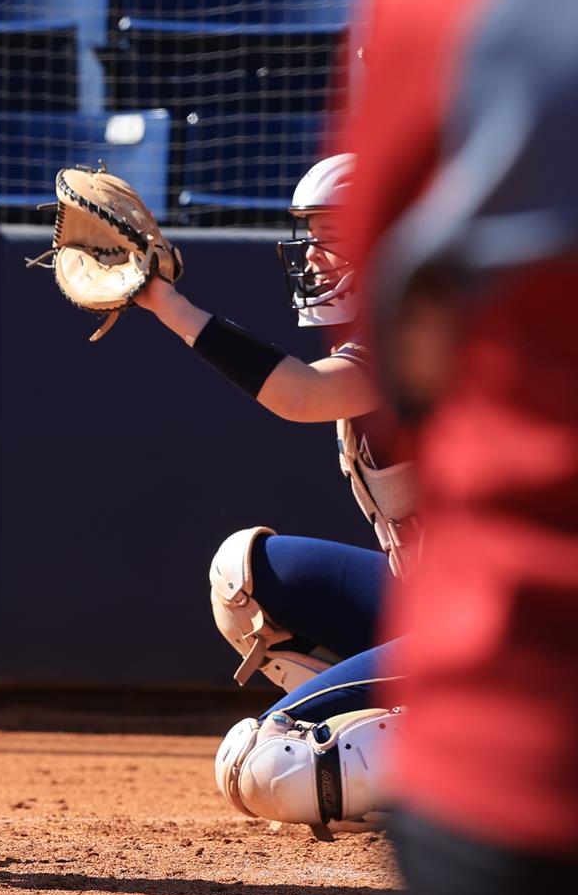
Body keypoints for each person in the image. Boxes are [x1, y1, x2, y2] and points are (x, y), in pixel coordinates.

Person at [336, 0, 578, 895]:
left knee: (272, 760)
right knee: (240, 572)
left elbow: (397, 359)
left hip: (508, 717)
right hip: (490, 692)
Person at [129, 154, 409, 837]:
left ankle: (459, 762)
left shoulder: (430, 333)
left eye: (330, 232)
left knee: (262, 766)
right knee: (242, 574)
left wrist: (165, 301)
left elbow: (299, 393)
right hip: (431, 599)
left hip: (503, 632)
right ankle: (386, 738)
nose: (313, 252)